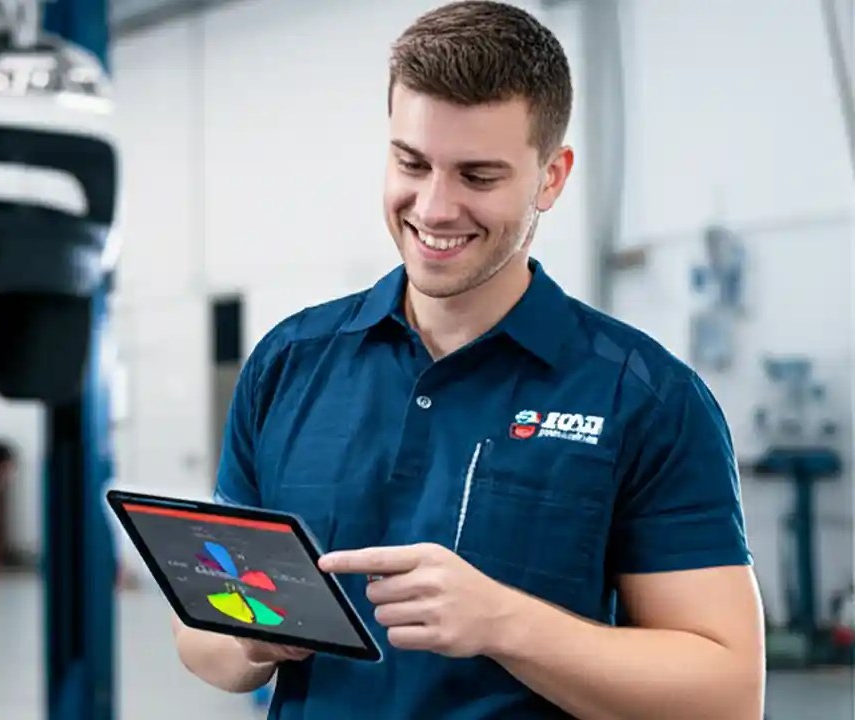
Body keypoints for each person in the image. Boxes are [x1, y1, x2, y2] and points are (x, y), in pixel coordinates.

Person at [173, 2, 765, 718]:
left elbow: (726, 695)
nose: (434, 208)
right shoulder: (289, 364)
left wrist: (504, 623)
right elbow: (199, 636)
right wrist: (252, 636)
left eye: (478, 176)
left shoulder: (645, 400)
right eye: (412, 163)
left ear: (551, 177)